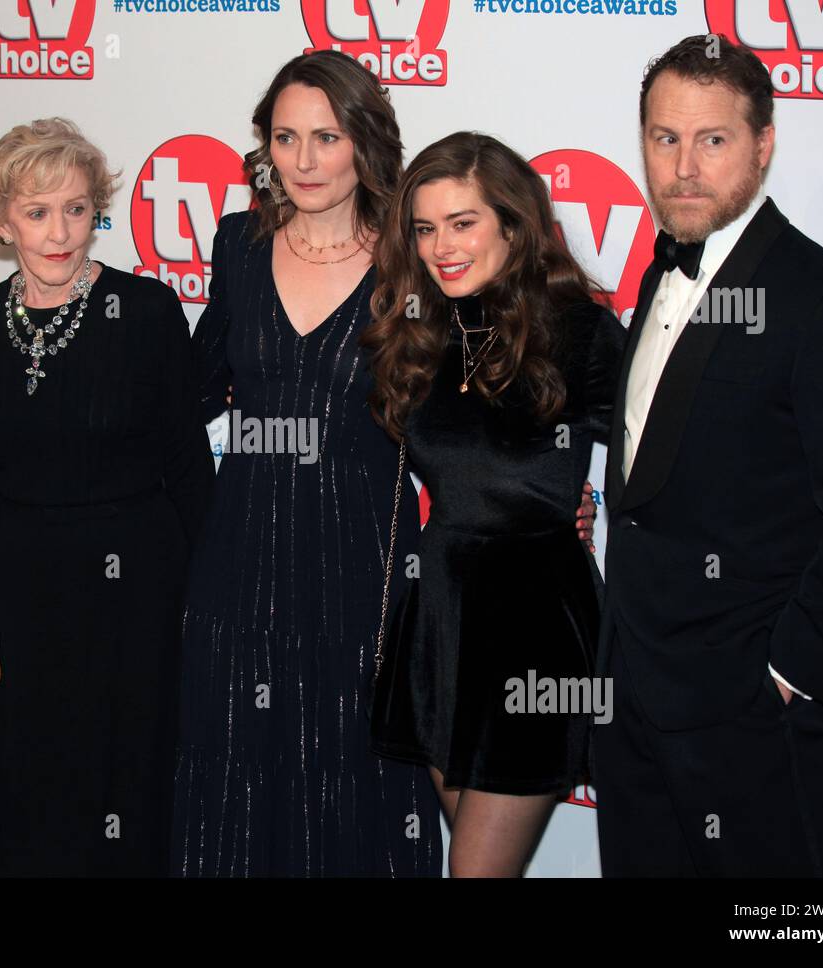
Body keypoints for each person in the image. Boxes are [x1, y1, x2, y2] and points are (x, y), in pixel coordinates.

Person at [172, 52, 596, 877]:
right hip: (238, 564)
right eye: (284, 138)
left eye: (326, 136)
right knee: (234, 794)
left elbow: (503, 388)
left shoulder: (415, 263)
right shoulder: (237, 244)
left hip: (365, 566)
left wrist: (547, 496)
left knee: (352, 793)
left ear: (365, 142)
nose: (302, 160)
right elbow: (187, 397)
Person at [593, 34, 823, 877]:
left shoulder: (819, 303)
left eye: (713, 139)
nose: (684, 167)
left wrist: (783, 674)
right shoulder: (658, 274)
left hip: (746, 723)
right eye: (665, 139)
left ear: (763, 145)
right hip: (631, 707)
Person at [0, 119, 214, 877]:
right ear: (2, 222)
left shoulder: (149, 311)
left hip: (139, 585)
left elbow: (188, 466)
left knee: (130, 773)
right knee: (40, 781)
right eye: (37, 213)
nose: (60, 232)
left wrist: (211, 599)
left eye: (75, 208)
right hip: (33, 589)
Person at [362, 132, 625, 877]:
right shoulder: (421, 330)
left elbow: (660, 446)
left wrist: (590, 503)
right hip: (442, 623)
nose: (442, 245)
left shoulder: (578, 330)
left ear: (513, 224)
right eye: (425, 227)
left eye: (463, 222)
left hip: (536, 626)